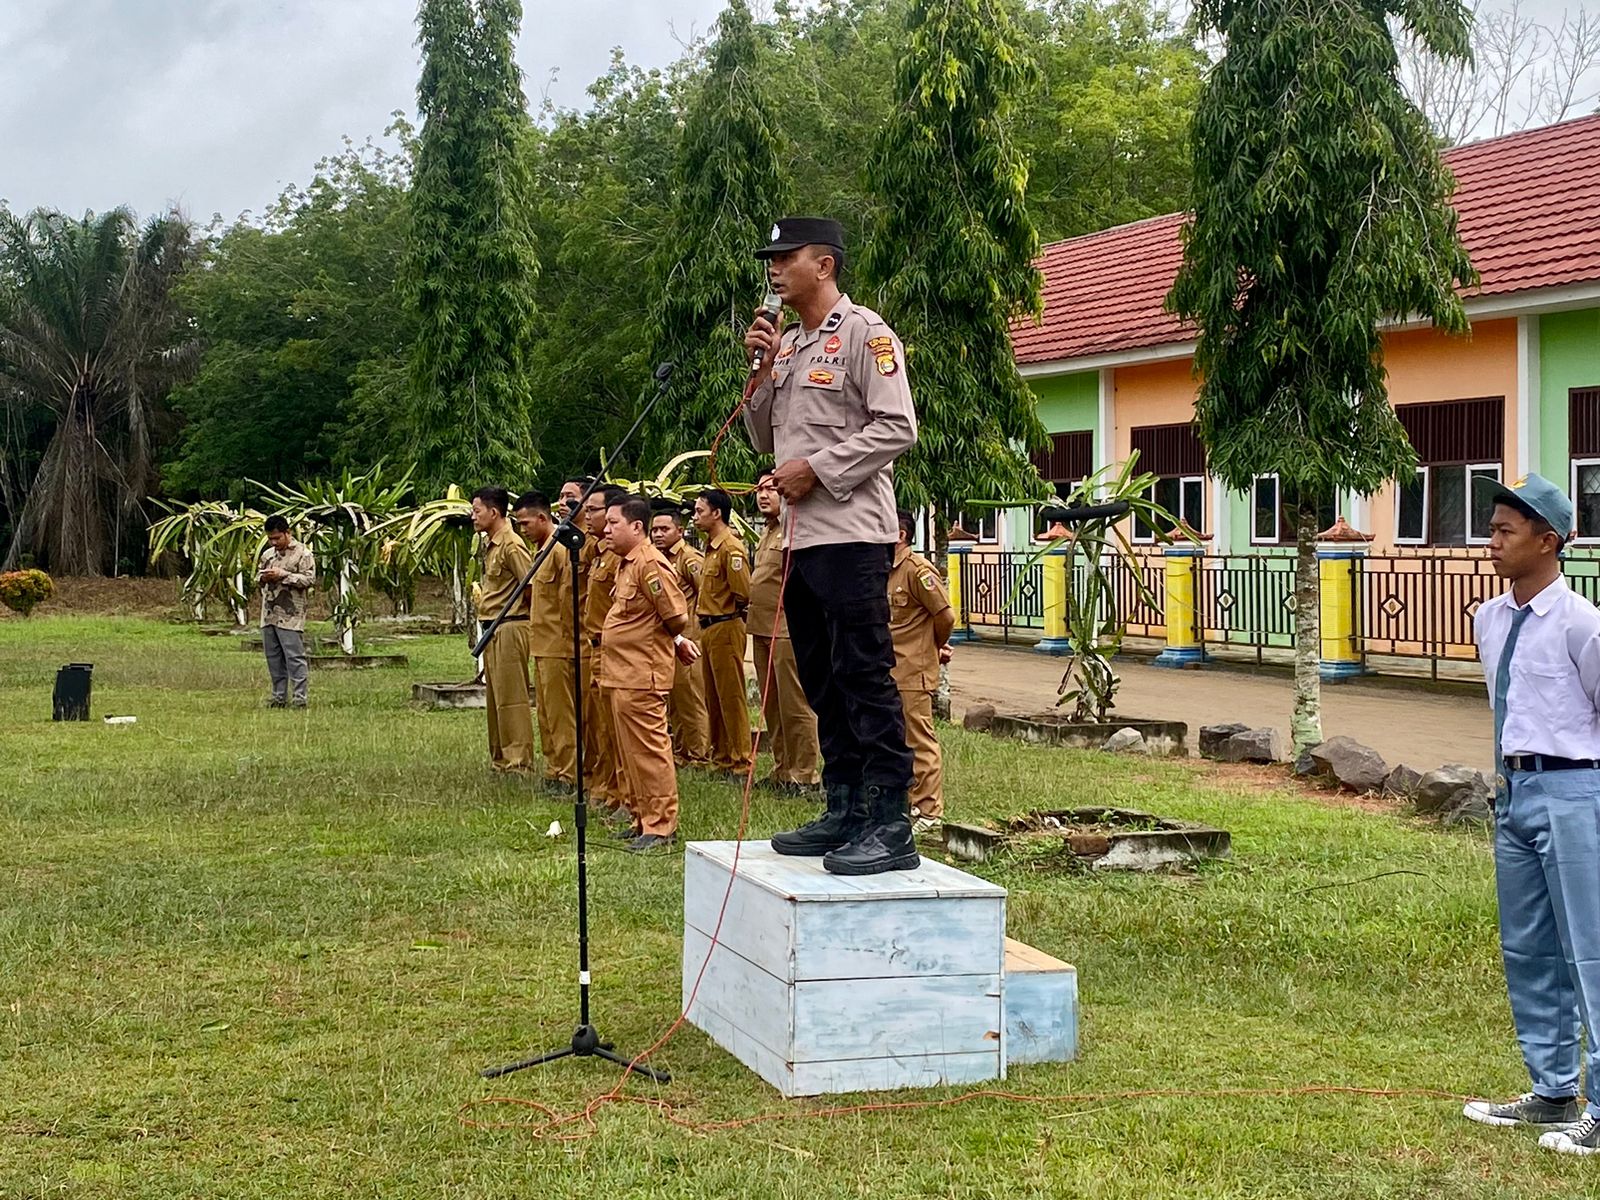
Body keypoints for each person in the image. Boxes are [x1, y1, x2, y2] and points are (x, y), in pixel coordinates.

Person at [742, 215, 919, 875]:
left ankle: (891, 819)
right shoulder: (787, 347)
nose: (774, 268)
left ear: (825, 265)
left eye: (786, 257)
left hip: (851, 534)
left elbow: (898, 427)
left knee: (862, 673)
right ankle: (843, 806)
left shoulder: (865, 336)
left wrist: (816, 470)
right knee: (820, 677)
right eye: (771, 258)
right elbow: (763, 438)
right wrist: (758, 370)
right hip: (799, 540)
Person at [1466, 473, 1600, 1156]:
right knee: (1528, 948)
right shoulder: (1488, 619)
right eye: (1491, 528)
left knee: (1590, 949)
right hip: (1513, 792)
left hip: (1575, 791)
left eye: (1504, 531)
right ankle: (1551, 1091)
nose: (1490, 542)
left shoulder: (1583, 624)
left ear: (1548, 542)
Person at [600, 495, 701, 851]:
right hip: (622, 672)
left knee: (649, 751)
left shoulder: (650, 563)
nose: (606, 529)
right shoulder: (626, 563)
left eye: (614, 523)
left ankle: (660, 825)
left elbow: (675, 615)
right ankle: (640, 817)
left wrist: (674, 638)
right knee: (630, 753)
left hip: (642, 672)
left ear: (636, 527)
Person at [749, 469, 821, 795]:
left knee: (795, 706)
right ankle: (782, 769)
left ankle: (805, 774)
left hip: (787, 629)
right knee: (773, 707)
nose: (764, 495)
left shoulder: (796, 530)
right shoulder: (767, 532)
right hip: (761, 629)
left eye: (771, 489)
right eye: (759, 490)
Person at [889, 510, 955, 831]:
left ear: (900, 534)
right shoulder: (885, 571)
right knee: (896, 738)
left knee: (919, 738)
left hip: (913, 668)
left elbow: (945, 616)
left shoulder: (917, 570)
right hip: (889, 669)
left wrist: (934, 645)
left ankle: (929, 811)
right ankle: (907, 802)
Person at [514, 490, 577, 795]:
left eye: (526, 523)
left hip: (559, 646)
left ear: (542, 517)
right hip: (541, 644)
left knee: (561, 714)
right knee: (545, 714)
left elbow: (567, 602)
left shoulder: (561, 550)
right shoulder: (542, 550)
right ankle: (554, 768)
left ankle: (568, 774)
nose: (523, 530)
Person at [471, 486, 535, 773]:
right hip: (493, 629)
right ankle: (501, 760)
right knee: (496, 699)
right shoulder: (492, 544)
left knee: (512, 699)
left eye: (477, 511)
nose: (473, 517)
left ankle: (519, 763)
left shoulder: (511, 544)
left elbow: (531, 585)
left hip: (510, 626)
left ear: (494, 512)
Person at [693, 488, 754, 779]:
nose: (695, 517)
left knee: (731, 695)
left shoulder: (731, 548)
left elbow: (743, 592)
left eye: (699, 511)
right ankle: (722, 757)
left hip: (726, 625)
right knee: (713, 696)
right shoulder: (711, 547)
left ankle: (741, 760)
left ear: (717, 513)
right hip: (707, 628)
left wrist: (730, 615)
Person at [651, 504, 714, 768]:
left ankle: (699, 753)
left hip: (689, 636)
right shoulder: (660, 559)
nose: (658, 534)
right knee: (675, 698)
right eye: (654, 529)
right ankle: (681, 750)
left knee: (691, 698)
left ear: (680, 530)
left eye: (664, 529)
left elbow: (706, 593)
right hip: (670, 641)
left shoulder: (689, 559)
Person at [581, 485, 627, 811]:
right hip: (595, 647)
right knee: (599, 726)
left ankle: (619, 792)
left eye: (594, 510)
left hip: (613, 651)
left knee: (614, 729)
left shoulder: (623, 560)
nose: (586, 514)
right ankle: (605, 786)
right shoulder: (597, 553)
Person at [258, 515, 316, 709]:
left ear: (287, 533)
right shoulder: (267, 555)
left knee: (294, 656)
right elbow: (257, 578)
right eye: (270, 538)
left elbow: (309, 579)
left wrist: (285, 576)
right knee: (273, 657)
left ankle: (300, 698)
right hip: (269, 613)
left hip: (291, 614)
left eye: (277, 538)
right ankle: (278, 697)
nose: (274, 542)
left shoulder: (303, 554)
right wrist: (264, 578)